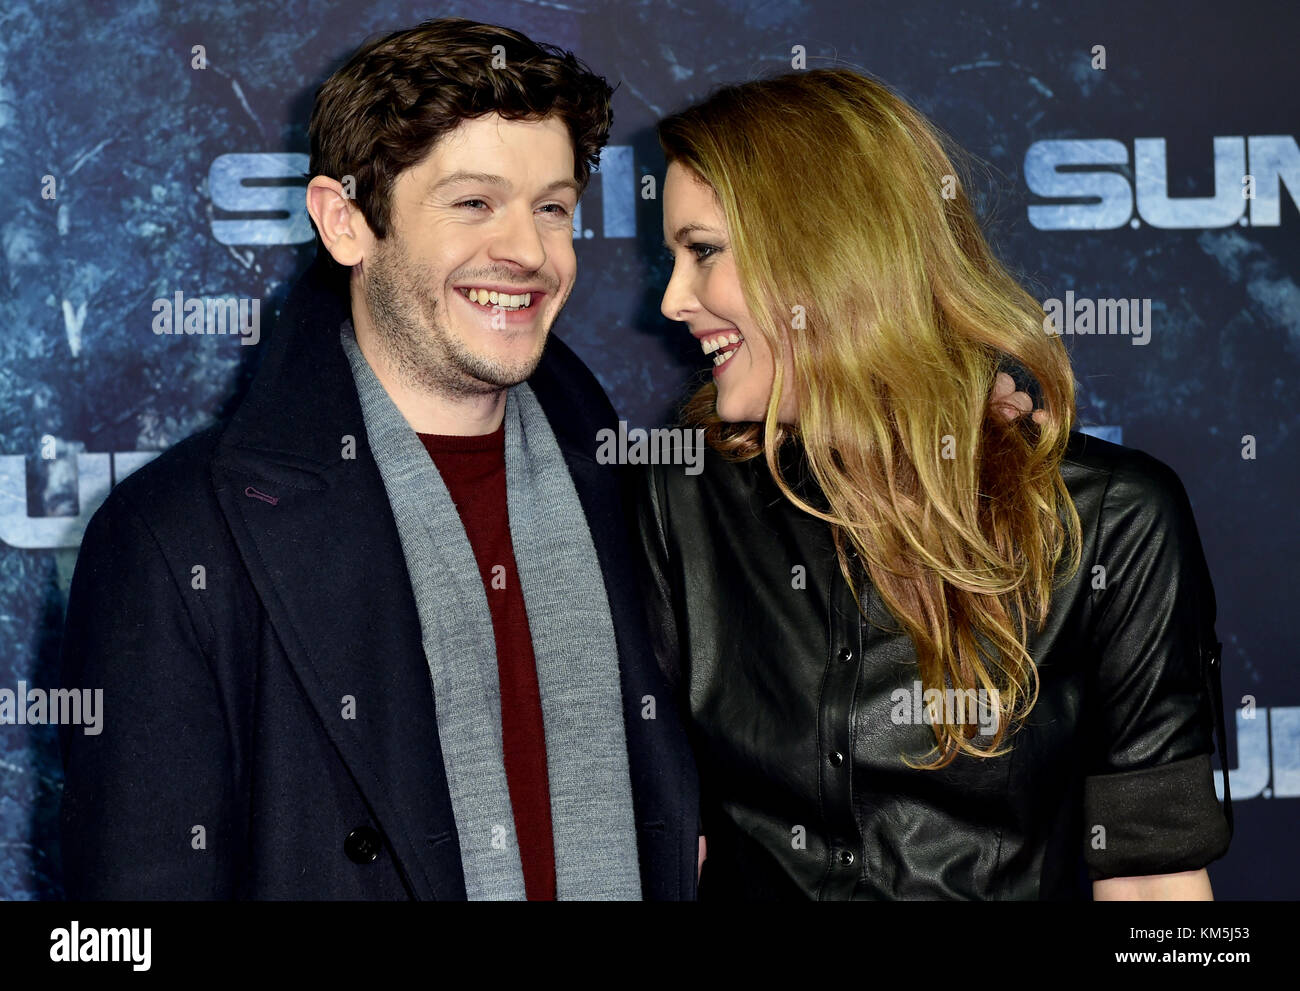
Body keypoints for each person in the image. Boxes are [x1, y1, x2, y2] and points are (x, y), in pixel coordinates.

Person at [56, 17, 701, 901]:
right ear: (346, 222)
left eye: (551, 207)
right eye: (474, 202)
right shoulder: (172, 540)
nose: (525, 251)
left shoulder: (634, 496)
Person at [637, 68, 1233, 900]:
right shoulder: (682, 501)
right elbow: (664, 846)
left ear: (825, 250)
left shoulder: (1110, 519)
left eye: (703, 252)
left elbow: (1152, 877)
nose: (672, 299)